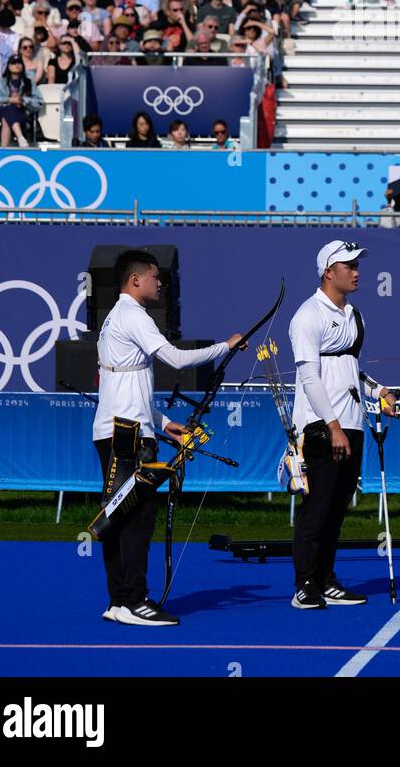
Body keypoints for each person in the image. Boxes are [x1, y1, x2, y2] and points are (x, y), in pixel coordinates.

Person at [92, 249, 243, 625]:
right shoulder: (133, 315)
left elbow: (126, 387)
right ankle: (134, 601)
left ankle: (119, 601)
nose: (161, 283)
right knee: (136, 518)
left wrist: (163, 423)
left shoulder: (115, 319)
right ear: (135, 280)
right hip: (126, 435)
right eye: (156, 277)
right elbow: (175, 359)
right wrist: (225, 346)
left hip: (118, 430)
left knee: (117, 517)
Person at [288, 241, 397, 608]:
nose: (356, 271)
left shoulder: (354, 314)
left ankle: (326, 579)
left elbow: (350, 367)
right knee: (316, 508)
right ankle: (305, 585)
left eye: (357, 265)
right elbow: (310, 377)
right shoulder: (307, 315)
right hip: (321, 426)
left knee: (336, 508)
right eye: (348, 265)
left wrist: (378, 390)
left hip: (352, 422)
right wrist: (331, 426)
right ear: (328, 272)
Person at [0, 54, 41, 147]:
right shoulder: (2, 82)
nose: (17, 65)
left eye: (19, 63)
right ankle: (21, 138)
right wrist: (11, 100)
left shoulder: (29, 83)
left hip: (21, 113)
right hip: (2, 111)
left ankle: (4, 150)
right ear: (8, 66)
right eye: (13, 63)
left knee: (6, 118)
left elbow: (39, 102)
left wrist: (23, 100)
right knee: (8, 109)